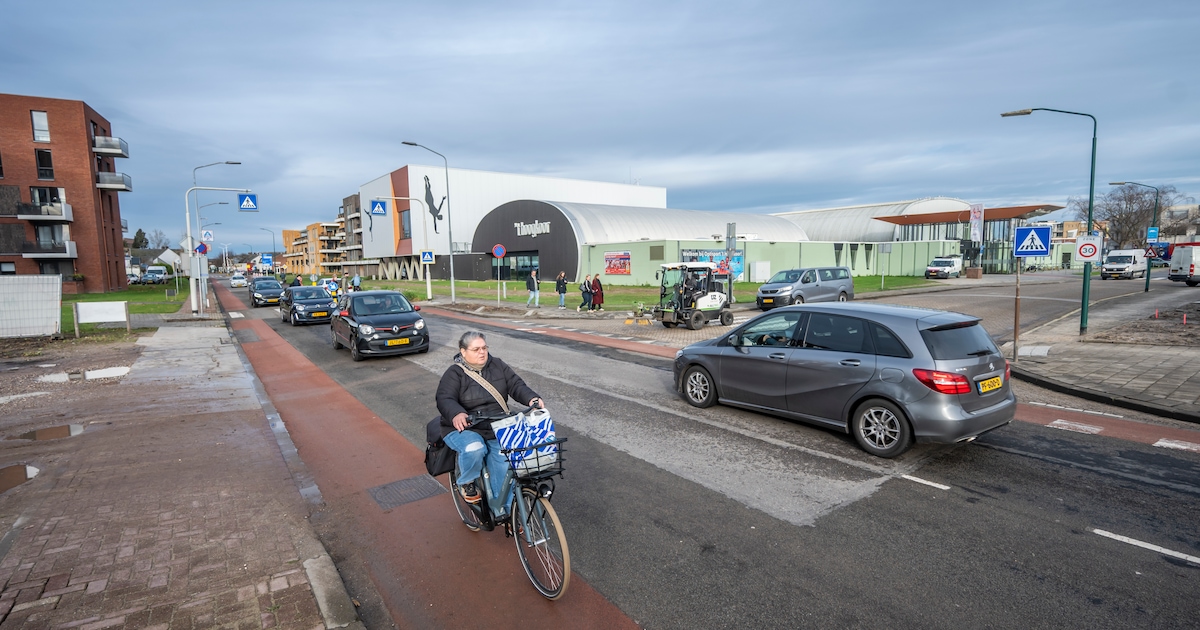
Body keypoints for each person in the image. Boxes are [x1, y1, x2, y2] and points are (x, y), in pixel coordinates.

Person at [435, 331, 545, 504]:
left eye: (484, 348)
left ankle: (504, 509)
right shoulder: (454, 373)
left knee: (504, 459)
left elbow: (516, 385)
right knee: (475, 448)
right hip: (465, 427)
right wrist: (456, 413)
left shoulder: (498, 365)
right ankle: (467, 482)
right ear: (463, 352)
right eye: (476, 349)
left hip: (495, 425)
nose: (482, 352)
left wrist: (531, 398)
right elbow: (444, 398)